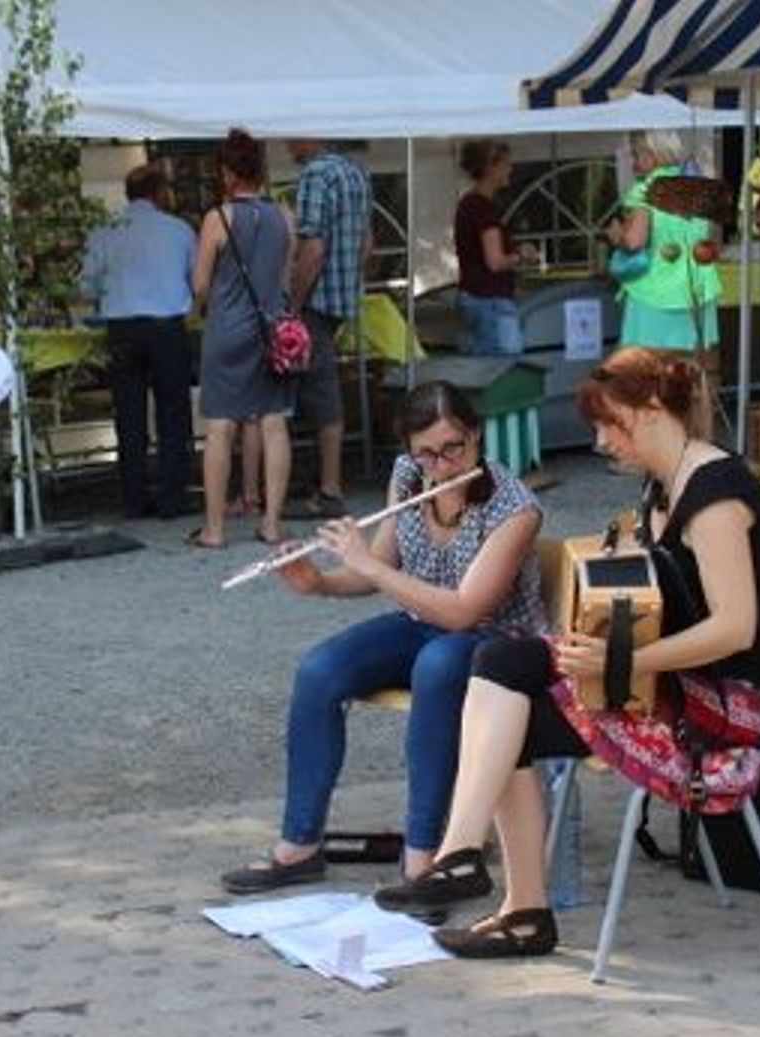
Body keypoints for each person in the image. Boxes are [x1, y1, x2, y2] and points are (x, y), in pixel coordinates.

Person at [379, 348, 760, 959]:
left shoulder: (716, 494)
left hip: (718, 705)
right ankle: (461, 852)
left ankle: (523, 912)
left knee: (510, 721)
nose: (600, 441)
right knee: (498, 663)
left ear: (648, 412)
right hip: (665, 675)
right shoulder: (664, 484)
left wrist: (619, 664)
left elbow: (736, 629)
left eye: (606, 424)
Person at [221, 380, 547, 894]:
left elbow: (465, 612)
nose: (442, 466)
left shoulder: (515, 508)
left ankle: (423, 861)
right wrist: (322, 583)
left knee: (437, 666)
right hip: (421, 623)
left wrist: (368, 566)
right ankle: (300, 845)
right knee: (319, 670)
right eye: (427, 454)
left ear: (476, 436)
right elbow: (380, 568)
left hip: (494, 643)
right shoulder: (409, 477)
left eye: (453, 448)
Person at [190, 128, 294, 549]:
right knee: (274, 425)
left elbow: (199, 284)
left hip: (227, 329)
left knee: (220, 427)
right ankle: (271, 524)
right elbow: (285, 280)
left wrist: (208, 301)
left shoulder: (219, 218)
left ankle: (214, 529)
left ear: (229, 173)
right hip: (273, 331)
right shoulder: (284, 217)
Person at [81, 164, 197, 519]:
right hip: (167, 327)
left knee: (128, 416)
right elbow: (196, 279)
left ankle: (134, 497)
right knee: (173, 413)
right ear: (159, 192)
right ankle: (172, 497)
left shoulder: (105, 231)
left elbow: (86, 287)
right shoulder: (179, 230)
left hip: (122, 328)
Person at [287, 139, 372, 519]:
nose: (286, 143)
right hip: (341, 298)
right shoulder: (355, 172)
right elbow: (367, 244)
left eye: (291, 135)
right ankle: (320, 480)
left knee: (318, 392)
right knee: (319, 386)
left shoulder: (315, 175)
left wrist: (293, 303)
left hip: (316, 300)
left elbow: (313, 249)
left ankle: (329, 489)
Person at [606, 131, 723, 353]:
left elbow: (634, 242)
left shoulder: (646, 189)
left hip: (656, 294)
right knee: (694, 368)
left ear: (655, 155)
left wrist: (617, 235)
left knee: (650, 370)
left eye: (637, 155)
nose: (634, 163)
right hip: (698, 289)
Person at [453, 140, 540, 356]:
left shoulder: (467, 203)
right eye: (507, 164)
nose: (511, 169)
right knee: (504, 367)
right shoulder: (484, 209)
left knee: (480, 368)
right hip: (491, 301)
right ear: (491, 167)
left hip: (473, 296)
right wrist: (521, 255)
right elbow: (495, 262)